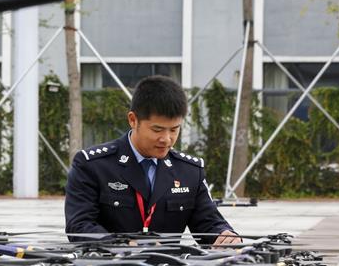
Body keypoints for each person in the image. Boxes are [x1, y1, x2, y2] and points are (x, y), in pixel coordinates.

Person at [65, 75, 240, 245]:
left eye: (174, 130)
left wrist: (225, 235)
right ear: (133, 120)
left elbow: (209, 222)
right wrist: (122, 245)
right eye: (157, 130)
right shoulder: (93, 165)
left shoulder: (189, 171)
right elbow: (80, 226)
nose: (166, 139)